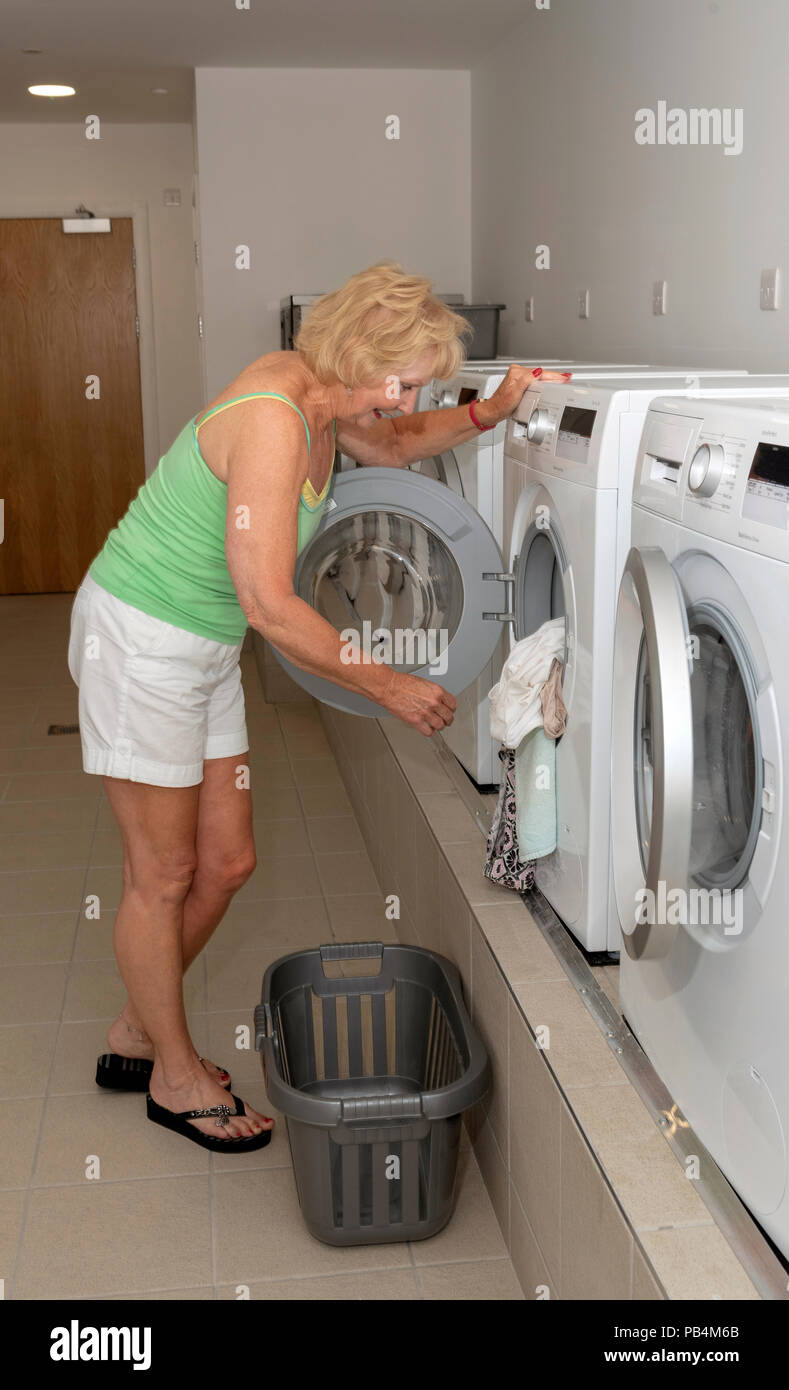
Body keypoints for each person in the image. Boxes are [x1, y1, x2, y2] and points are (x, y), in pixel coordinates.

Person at [67, 260, 570, 1152]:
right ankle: (170, 1073)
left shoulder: (330, 409)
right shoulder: (272, 419)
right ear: (359, 354)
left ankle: (142, 1028)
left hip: (200, 644)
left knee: (226, 864)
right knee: (163, 875)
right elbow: (269, 604)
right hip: (143, 643)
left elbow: (401, 440)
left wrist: (487, 411)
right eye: (402, 380)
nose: (405, 398)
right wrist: (390, 683)